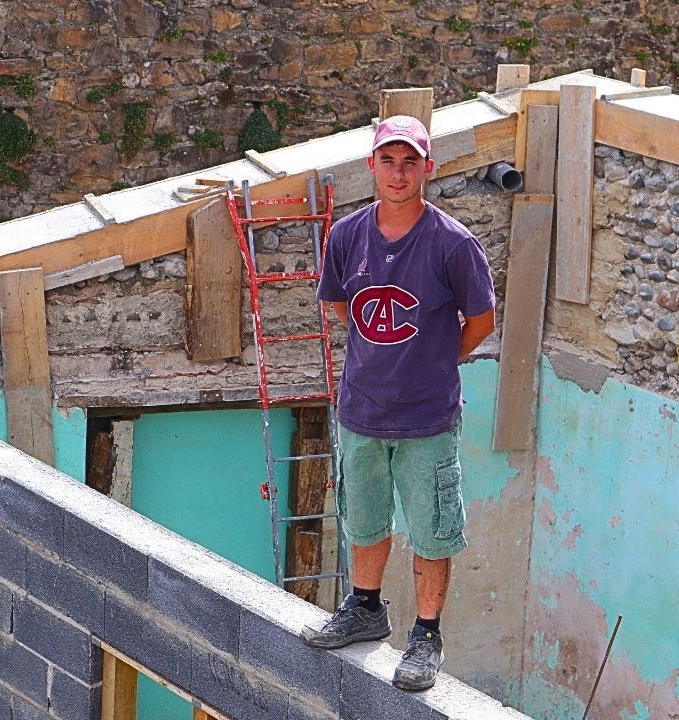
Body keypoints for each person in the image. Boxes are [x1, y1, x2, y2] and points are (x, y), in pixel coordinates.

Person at [302, 115, 496, 691]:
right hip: (361, 410)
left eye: (410, 161)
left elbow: (481, 322)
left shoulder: (452, 245)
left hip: (427, 418)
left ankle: (426, 636)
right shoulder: (346, 236)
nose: (398, 172)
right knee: (364, 518)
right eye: (388, 160)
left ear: (427, 169)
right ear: (371, 166)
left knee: (433, 528)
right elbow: (343, 308)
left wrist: (433, 362)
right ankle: (365, 608)